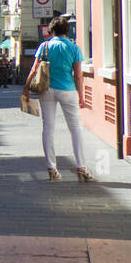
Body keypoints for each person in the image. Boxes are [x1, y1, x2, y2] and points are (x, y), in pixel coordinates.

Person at [25, 18, 93, 182]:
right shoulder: (74, 47)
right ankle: (81, 167)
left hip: (46, 89)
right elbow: (78, 75)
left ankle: (51, 167)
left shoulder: (45, 46)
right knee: (75, 128)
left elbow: (34, 69)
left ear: (51, 31)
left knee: (48, 127)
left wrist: (26, 88)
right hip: (67, 90)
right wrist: (81, 96)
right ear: (67, 30)